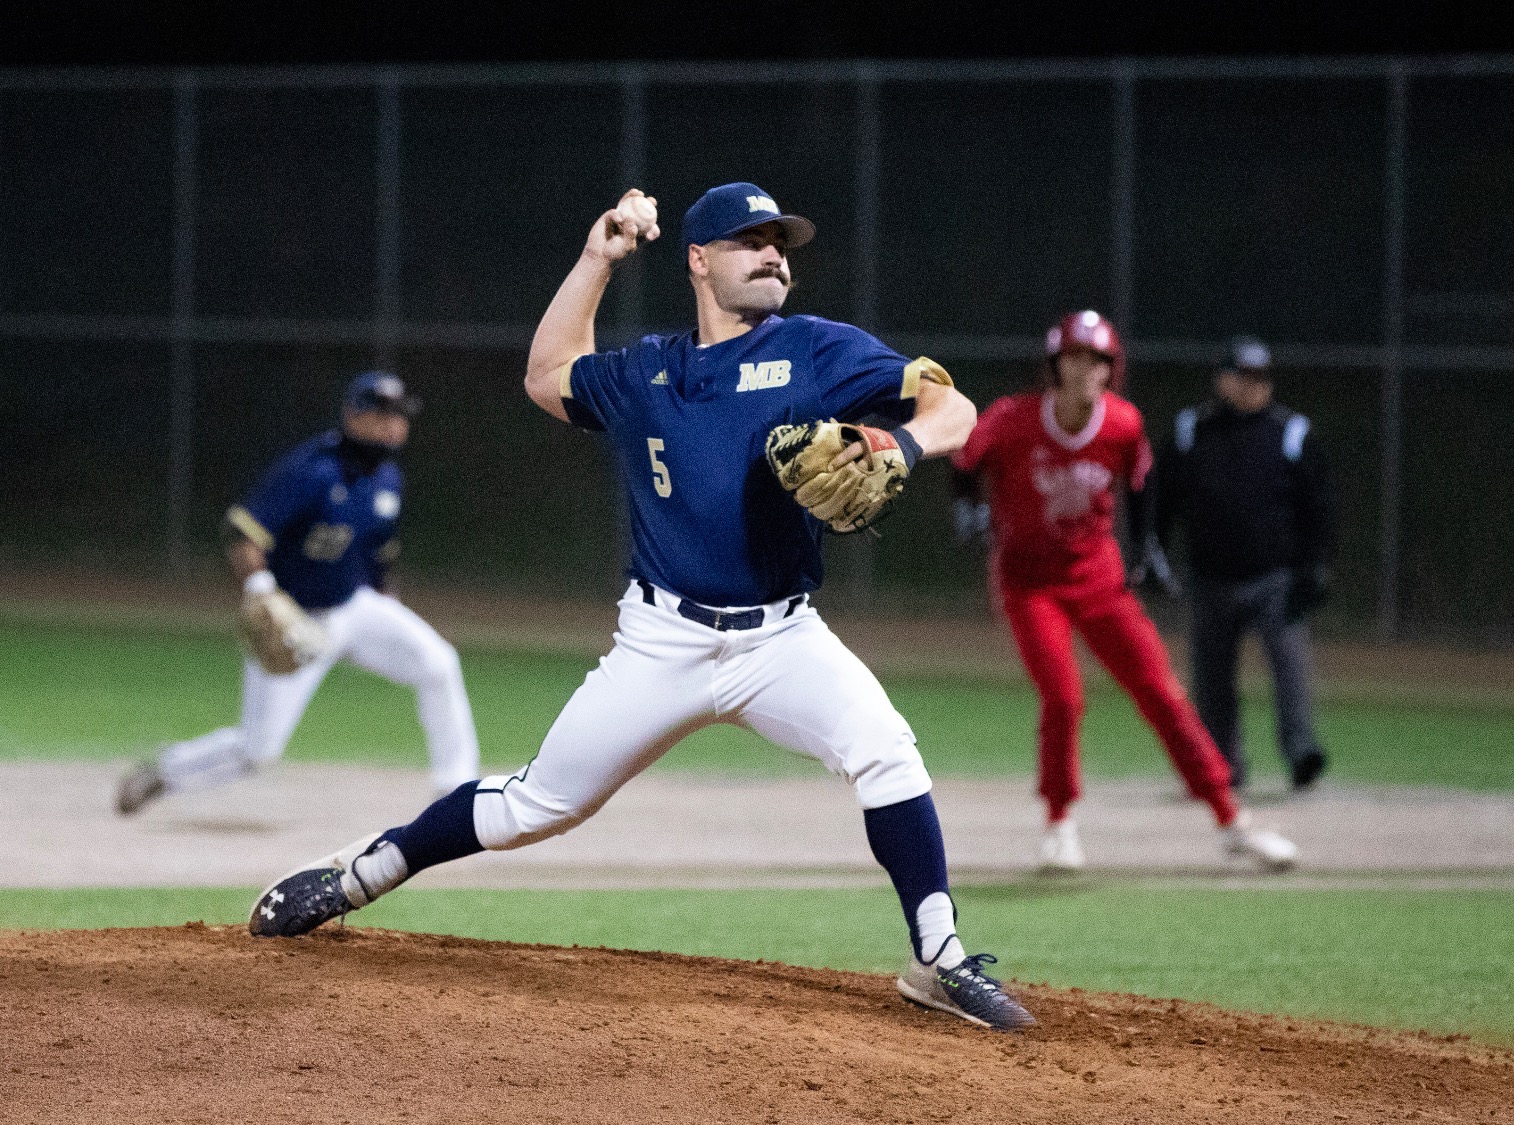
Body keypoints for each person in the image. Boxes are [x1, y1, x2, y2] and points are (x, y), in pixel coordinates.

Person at [246, 182, 1039, 1033]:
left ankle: (938, 955)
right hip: (659, 641)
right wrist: (599, 258)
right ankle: (360, 874)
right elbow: (547, 375)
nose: (774, 253)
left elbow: (952, 404)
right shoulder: (646, 371)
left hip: (782, 639)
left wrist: (900, 441)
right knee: (534, 807)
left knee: (886, 751)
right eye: (750, 239)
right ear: (698, 260)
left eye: (780, 241)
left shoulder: (816, 349)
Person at [950, 311, 1297, 874]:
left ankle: (1232, 819)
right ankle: (1059, 826)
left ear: (1113, 369)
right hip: (1029, 582)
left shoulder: (1122, 423)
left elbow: (1142, 481)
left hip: (1098, 579)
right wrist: (971, 512)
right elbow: (966, 462)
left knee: (1162, 693)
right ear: (1055, 364)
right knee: (1064, 697)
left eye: (1099, 360)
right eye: (1077, 357)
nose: (1088, 369)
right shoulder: (1013, 420)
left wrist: (1147, 551)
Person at [113, 371, 481, 814]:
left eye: (400, 415)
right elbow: (245, 534)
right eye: (383, 414)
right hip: (294, 618)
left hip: (353, 608)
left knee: (439, 664)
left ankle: (455, 791)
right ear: (353, 415)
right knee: (258, 751)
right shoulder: (312, 470)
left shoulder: (388, 479)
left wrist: (388, 603)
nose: (394, 425)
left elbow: (379, 552)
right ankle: (164, 773)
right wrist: (260, 587)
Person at [1157, 336, 1336, 791]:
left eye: (1261, 377)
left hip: (1274, 577)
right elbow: (1162, 498)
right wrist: (1152, 549)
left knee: (1289, 667)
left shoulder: (1291, 431)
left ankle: (1300, 751)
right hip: (1210, 576)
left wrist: (1316, 566)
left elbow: (1319, 506)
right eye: (1244, 376)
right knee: (1213, 677)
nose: (1254, 386)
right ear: (1222, 379)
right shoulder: (1191, 430)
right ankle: (1221, 764)